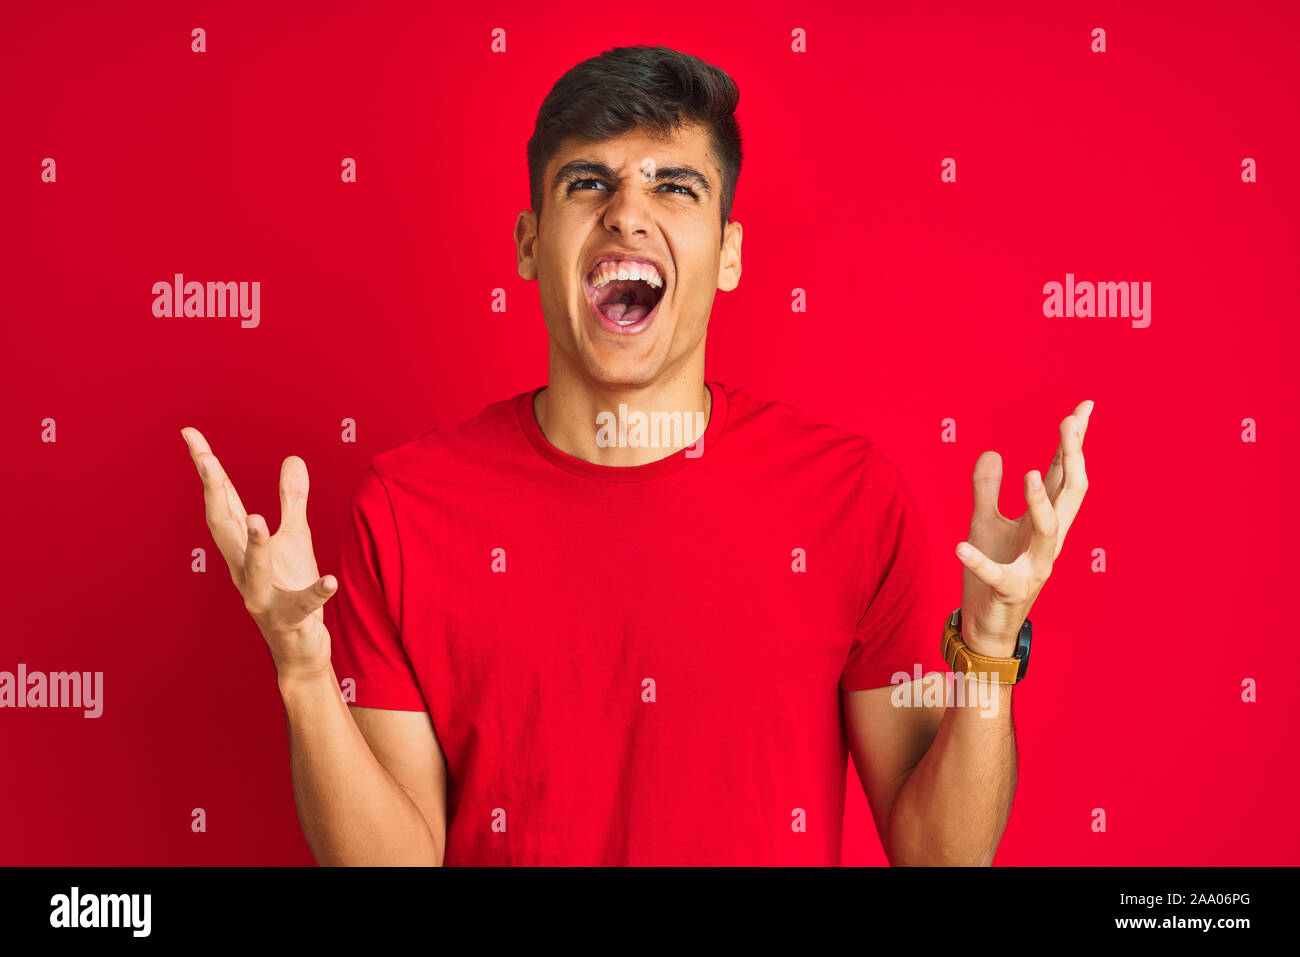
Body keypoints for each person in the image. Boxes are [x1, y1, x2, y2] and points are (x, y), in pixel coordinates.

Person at [181, 45, 1092, 866]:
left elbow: (943, 857)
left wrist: (986, 648)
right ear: (531, 246)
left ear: (728, 255)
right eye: (588, 183)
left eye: (674, 188)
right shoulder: (405, 506)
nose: (627, 216)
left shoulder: (849, 500)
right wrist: (301, 668)